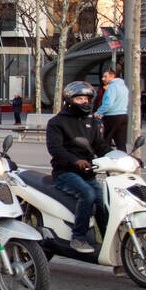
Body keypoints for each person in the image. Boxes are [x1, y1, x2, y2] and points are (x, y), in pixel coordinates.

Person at [47, 81, 113, 254]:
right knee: (88, 194)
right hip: (65, 173)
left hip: (87, 172)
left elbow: (101, 146)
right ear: (69, 100)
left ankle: (110, 240)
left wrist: (121, 157)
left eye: (87, 99)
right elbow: (55, 149)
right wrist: (75, 161)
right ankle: (78, 238)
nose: (84, 102)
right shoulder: (57, 122)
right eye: (79, 99)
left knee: (101, 201)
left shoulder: (90, 122)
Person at [94, 68, 128, 151]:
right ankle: (123, 158)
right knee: (121, 142)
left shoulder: (112, 87)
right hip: (123, 115)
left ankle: (105, 158)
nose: (103, 79)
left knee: (106, 140)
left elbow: (108, 103)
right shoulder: (124, 87)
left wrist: (98, 112)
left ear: (112, 76)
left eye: (105, 76)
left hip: (112, 116)